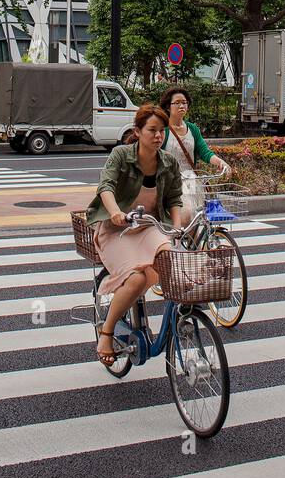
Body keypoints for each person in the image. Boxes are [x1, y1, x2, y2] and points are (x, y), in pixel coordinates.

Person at [86, 103, 183, 366]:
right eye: (152, 130)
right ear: (138, 131)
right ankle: (106, 333)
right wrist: (115, 212)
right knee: (137, 279)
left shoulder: (168, 162)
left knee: (171, 260)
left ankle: (181, 320)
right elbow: (105, 186)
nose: (158, 136)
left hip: (149, 226)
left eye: (162, 131)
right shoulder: (120, 155)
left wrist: (175, 227)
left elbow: (175, 198)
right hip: (116, 229)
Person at [159, 86, 231, 224]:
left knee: (197, 217)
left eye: (184, 102)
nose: (182, 106)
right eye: (177, 102)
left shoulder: (192, 129)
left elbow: (204, 152)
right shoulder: (163, 130)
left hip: (191, 181)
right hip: (170, 182)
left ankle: (193, 244)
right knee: (185, 215)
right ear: (168, 107)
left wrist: (221, 162)